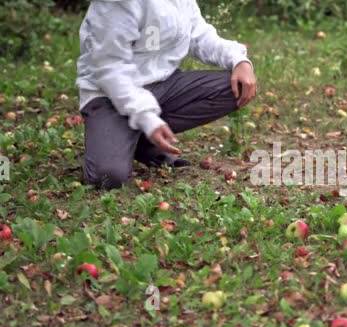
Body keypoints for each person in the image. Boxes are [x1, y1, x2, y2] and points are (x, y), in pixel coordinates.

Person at [76, 0, 257, 189]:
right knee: (107, 177)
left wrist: (239, 60)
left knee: (233, 88)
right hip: (109, 95)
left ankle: (139, 140)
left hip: (162, 85)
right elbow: (110, 68)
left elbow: (199, 35)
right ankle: (131, 134)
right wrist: (147, 119)